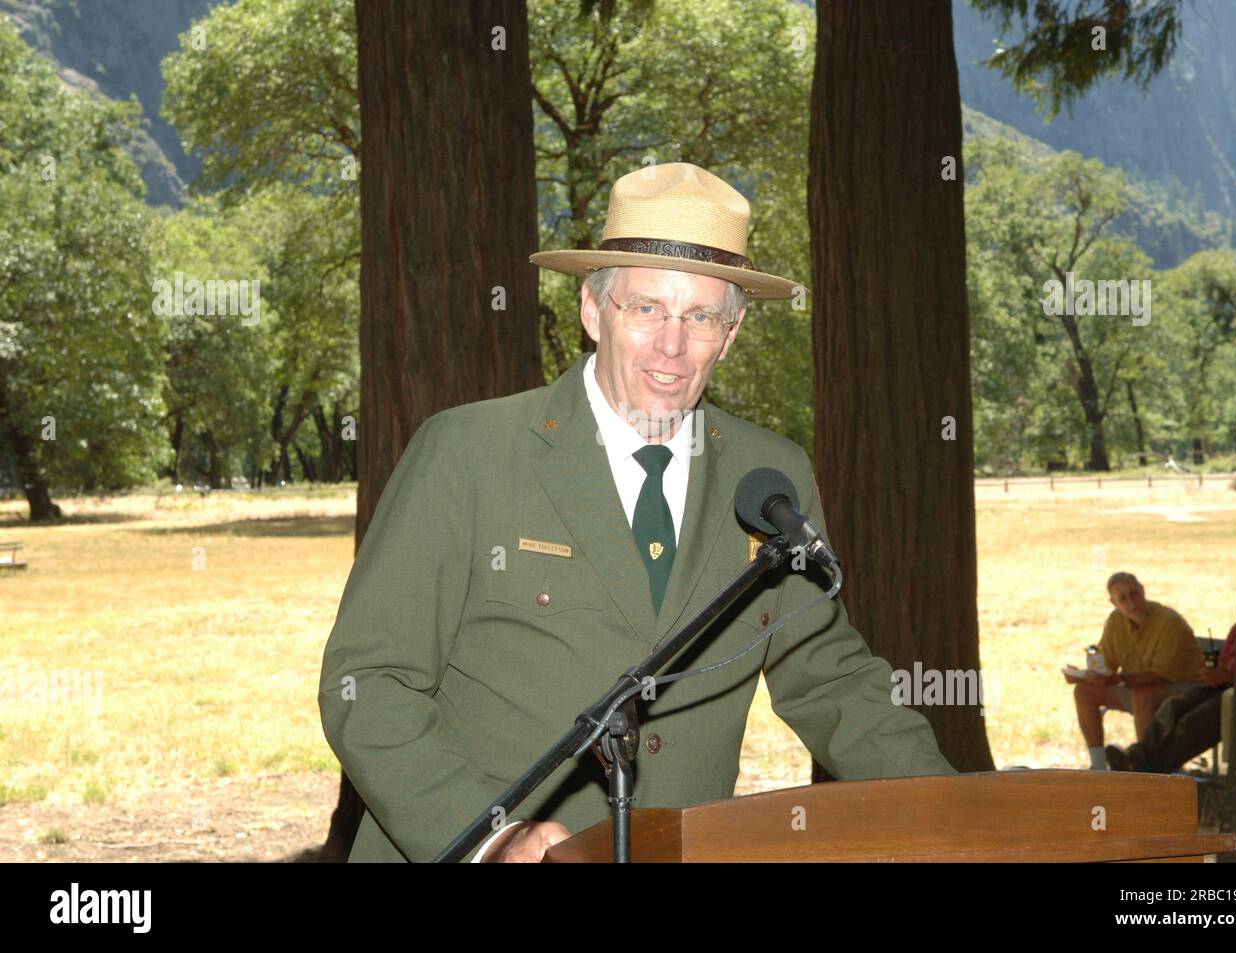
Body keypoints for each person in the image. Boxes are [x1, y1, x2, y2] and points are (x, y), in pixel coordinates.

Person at [317, 163, 955, 863]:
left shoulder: (769, 477)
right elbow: (370, 683)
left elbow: (832, 681)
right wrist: (488, 839)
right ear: (594, 311)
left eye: (701, 316)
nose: (672, 344)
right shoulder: (468, 453)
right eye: (647, 308)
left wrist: (968, 819)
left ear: (732, 331)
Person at [1106, 623, 1236, 773]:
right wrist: (1216, 672)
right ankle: (1137, 758)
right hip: (1221, 685)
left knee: (1193, 723)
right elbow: (1225, 661)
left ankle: (1144, 769)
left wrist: (1232, 677)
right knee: (1174, 707)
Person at [1066, 572, 1202, 770]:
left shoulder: (1168, 621)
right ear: (1113, 603)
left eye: (1134, 594)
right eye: (1123, 598)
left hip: (1186, 692)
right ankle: (1098, 765)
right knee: (1084, 692)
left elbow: (1160, 675)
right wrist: (1083, 675)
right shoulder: (1115, 621)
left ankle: (1147, 765)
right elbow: (1106, 667)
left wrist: (1117, 679)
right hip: (1137, 687)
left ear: (1143, 591)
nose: (1132, 602)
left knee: (1142, 695)